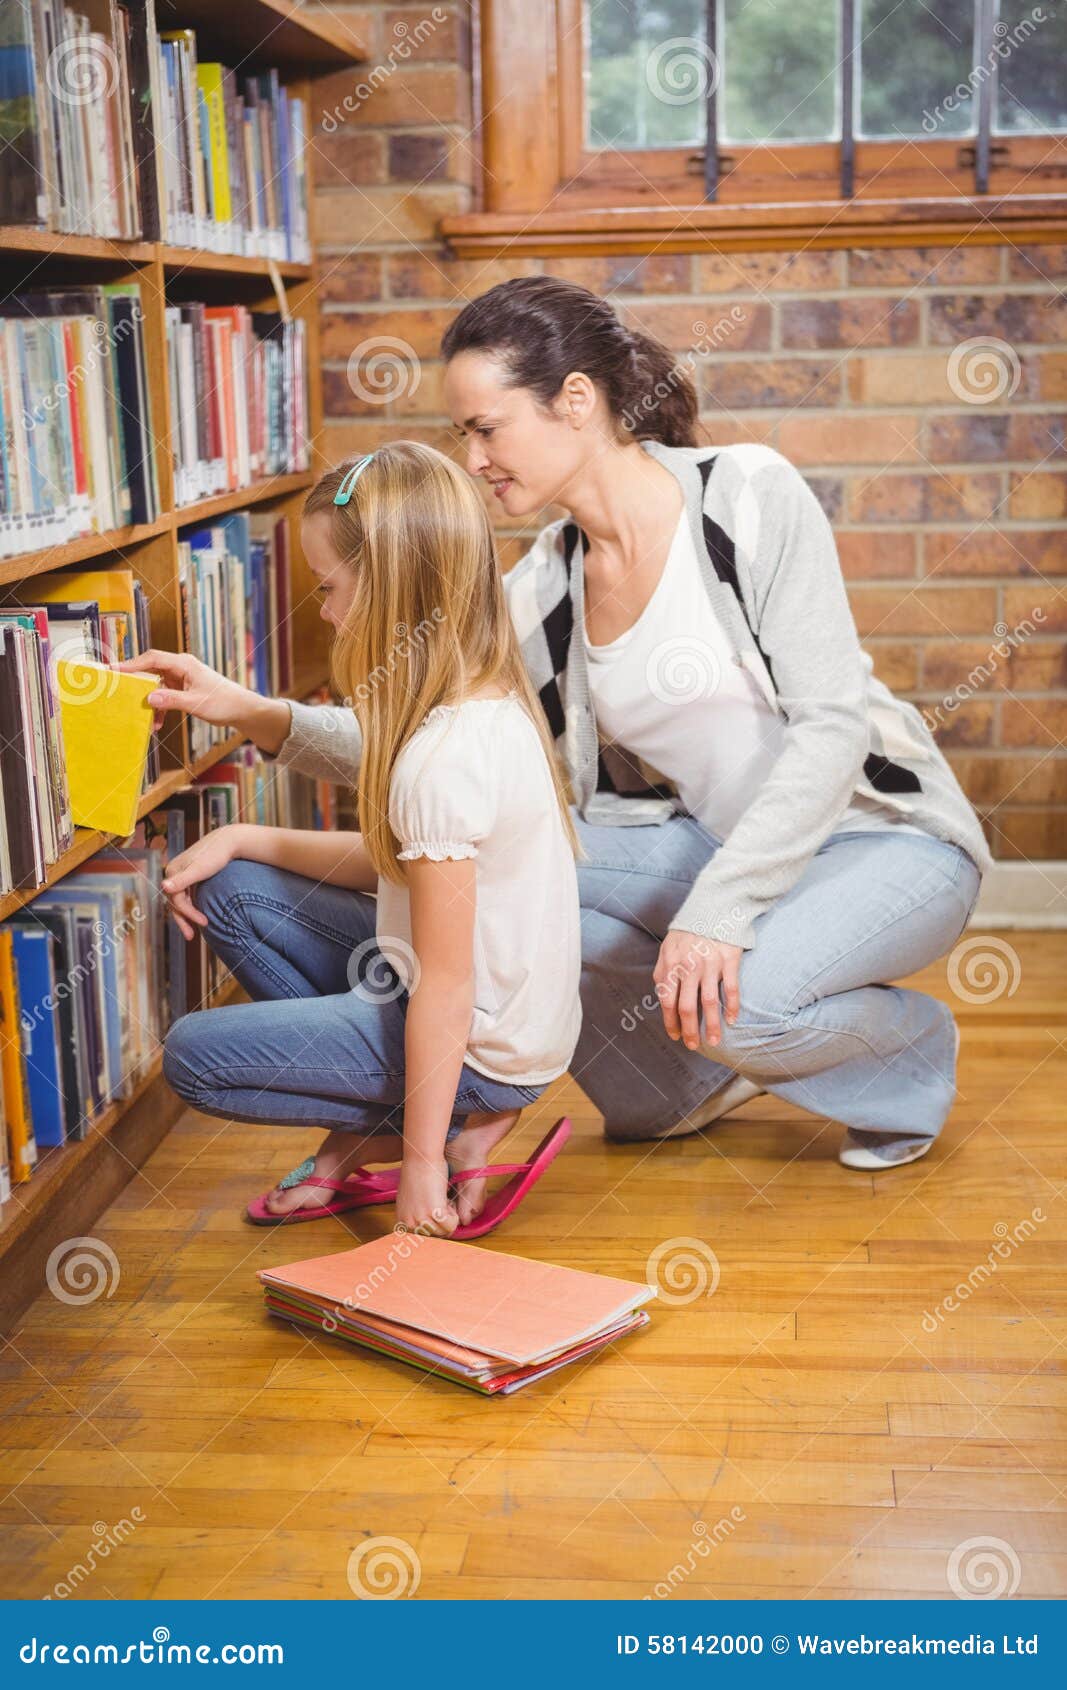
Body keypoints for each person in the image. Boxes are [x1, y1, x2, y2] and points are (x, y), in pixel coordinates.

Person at [134, 275, 992, 1173]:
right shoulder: (545, 587)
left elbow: (830, 729)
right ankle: (681, 1083)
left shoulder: (744, 495)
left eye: (485, 427)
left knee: (749, 1000)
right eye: (462, 434)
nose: (470, 459)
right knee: (529, 902)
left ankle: (902, 1054)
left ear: (575, 401)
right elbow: (435, 746)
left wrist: (719, 915)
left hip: (880, 836)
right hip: (709, 840)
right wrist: (260, 715)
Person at [150, 442, 581, 1233]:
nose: (323, 611)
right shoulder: (486, 698)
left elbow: (446, 986)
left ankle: (445, 1126)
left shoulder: (441, 758)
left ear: (388, 593)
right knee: (232, 886)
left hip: (481, 1043)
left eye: (329, 588)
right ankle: (403, 1103)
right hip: (485, 1004)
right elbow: (401, 874)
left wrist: (418, 1169)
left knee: (192, 1056)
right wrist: (243, 835)